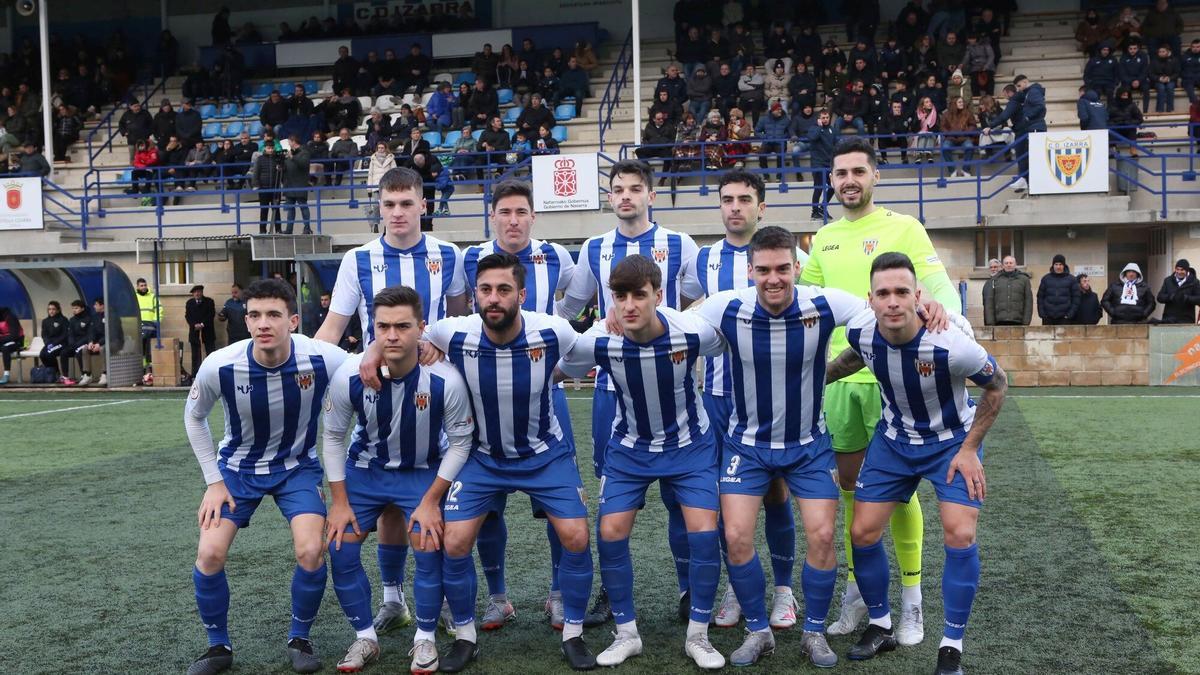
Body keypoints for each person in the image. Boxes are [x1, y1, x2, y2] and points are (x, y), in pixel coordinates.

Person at [801, 137, 959, 646]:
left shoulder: (904, 227)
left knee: (901, 489)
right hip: (841, 379)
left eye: (858, 171)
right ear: (831, 180)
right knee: (852, 490)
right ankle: (859, 594)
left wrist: (943, 309)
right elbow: (807, 305)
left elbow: (938, 286)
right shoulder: (824, 238)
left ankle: (912, 600)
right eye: (840, 173)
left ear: (875, 176)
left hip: (894, 380)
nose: (849, 181)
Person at [693, 226, 869, 668]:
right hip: (747, 446)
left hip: (808, 446)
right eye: (764, 270)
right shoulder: (727, 306)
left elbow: (881, 317)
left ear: (797, 268)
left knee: (823, 535)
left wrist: (928, 305)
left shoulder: (824, 304)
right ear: (750, 270)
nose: (774, 279)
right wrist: (615, 319)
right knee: (735, 536)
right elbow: (672, 323)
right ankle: (759, 631)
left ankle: (814, 633)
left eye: (783, 269)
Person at [824, 252, 1008, 675]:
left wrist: (969, 449)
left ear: (917, 296)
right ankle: (881, 624)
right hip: (894, 442)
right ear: (870, 298)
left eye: (901, 292)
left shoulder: (951, 344)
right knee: (862, 532)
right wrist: (819, 377)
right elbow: (857, 355)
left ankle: (951, 646)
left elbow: (998, 385)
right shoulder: (861, 330)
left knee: (960, 534)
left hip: (951, 443)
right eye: (883, 293)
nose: (892, 302)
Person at [424, 253, 597, 672]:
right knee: (455, 541)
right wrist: (383, 351)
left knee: (576, 535)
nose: (494, 298)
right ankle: (465, 637)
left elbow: (590, 349)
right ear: (474, 297)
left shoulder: (552, 330)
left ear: (521, 295)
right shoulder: (454, 332)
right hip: (482, 457)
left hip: (544, 455)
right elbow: (412, 333)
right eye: (485, 290)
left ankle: (573, 634)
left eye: (504, 290)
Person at [316, 167, 469, 636]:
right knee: (387, 500)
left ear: (424, 204)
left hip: (433, 391)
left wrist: (438, 343)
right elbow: (332, 330)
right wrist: (344, 359)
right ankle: (392, 599)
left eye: (406, 203)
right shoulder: (358, 258)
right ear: (379, 208)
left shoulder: (449, 254)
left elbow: (459, 321)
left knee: (439, 505)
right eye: (389, 204)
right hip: (377, 388)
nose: (398, 213)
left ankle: (444, 600)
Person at [558, 255, 726, 669]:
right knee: (610, 533)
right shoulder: (600, 338)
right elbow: (560, 363)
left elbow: (730, 334)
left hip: (689, 447)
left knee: (704, 533)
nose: (629, 305)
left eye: (639, 295)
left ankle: (699, 636)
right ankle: (626, 634)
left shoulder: (691, 331)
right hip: (629, 450)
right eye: (620, 297)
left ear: (659, 295)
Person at [555, 159, 700, 627]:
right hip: (611, 387)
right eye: (617, 189)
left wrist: (664, 318)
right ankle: (609, 591)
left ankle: (688, 588)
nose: (625, 196)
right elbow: (570, 308)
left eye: (635, 189)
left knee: (680, 497)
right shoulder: (594, 248)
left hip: (671, 385)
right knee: (613, 498)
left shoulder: (680, 244)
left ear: (650, 195)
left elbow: (702, 300)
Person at [182, 279, 350, 675]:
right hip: (236, 471)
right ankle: (218, 647)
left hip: (297, 469)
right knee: (209, 554)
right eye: (254, 315)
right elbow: (194, 418)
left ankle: (299, 638)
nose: (263, 323)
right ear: (246, 320)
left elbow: (365, 366)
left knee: (311, 550)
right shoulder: (221, 364)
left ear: (293, 321)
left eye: (273, 314)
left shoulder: (322, 357)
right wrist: (214, 482)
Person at [320, 286, 474, 673]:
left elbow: (460, 444)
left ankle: (425, 637)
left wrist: (432, 500)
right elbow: (333, 438)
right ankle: (365, 638)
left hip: (423, 472)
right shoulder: (349, 375)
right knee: (340, 545)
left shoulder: (445, 379)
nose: (391, 335)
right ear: (372, 328)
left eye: (403, 326)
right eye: (383, 327)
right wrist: (339, 502)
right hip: (366, 471)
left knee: (428, 543)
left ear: (421, 328)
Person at [688, 171, 807, 631]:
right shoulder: (703, 258)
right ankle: (738, 588)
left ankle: (784, 591)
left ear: (762, 206)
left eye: (744, 199)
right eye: (727, 199)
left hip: (773, 398)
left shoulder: (794, 256)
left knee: (776, 494)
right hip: (718, 398)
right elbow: (689, 313)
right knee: (726, 498)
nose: (735, 207)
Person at [983, 75, 1046, 192]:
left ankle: (1026, 180)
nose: (1018, 88)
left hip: (1028, 129)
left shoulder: (1024, 96)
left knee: (1023, 155)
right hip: (1026, 128)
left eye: (1019, 85)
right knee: (1026, 155)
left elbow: (1005, 116)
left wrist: (990, 126)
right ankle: (1025, 180)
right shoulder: (1024, 96)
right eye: (1017, 87)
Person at [983, 255, 1032, 326]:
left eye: (1011, 263)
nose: (1009, 265)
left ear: (1015, 264)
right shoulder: (995, 279)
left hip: (1018, 321)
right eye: (1006, 263)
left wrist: (1026, 322)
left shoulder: (1024, 280)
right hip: (999, 321)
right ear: (1003, 265)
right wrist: (990, 322)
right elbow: (989, 302)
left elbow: (1028, 301)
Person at [1036, 254, 1080, 325]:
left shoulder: (1072, 279)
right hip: (1048, 318)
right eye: (1056, 264)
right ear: (1053, 265)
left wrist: (1069, 315)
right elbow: (1040, 297)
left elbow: (1076, 298)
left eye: (1060, 264)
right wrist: (1042, 313)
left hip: (1065, 318)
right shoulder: (1045, 279)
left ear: (1064, 265)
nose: (1058, 267)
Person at [185, 284, 216, 378]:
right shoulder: (189, 303)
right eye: (195, 292)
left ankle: (212, 374)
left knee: (211, 353)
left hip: (207, 331)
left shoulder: (209, 302)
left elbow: (211, 314)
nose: (197, 294)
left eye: (199, 292)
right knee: (195, 355)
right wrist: (194, 325)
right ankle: (196, 375)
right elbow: (188, 316)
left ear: (202, 292)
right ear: (193, 294)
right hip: (194, 332)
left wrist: (202, 324)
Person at [252, 142, 284, 233]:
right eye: (268, 148)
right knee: (264, 210)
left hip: (275, 188)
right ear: (265, 148)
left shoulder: (278, 159)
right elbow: (256, 173)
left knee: (276, 210)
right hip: (263, 188)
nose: (270, 150)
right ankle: (262, 230)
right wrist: (256, 185)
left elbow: (283, 171)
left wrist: (281, 168)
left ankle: (278, 229)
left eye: (272, 148)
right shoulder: (260, 159)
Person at [1157, 258, 1200, 323]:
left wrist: (1186, 298)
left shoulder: (1194, 282)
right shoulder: (1168, 280)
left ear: (1187, 270)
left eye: (1182, 270)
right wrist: (1170, 297)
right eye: (1177, 269)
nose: (1179, 272)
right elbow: (1160, 297)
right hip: (1168, 319)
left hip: (1186, 319)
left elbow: (1198, 299)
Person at [63, 300, 96, 384]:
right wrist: (71, 343)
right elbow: (70, 334)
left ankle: (85, 374)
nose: (74, 310)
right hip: (74, 344)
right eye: (73, 308)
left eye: (76, 308)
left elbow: (89, 334)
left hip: (84, 343)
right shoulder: (72, 320)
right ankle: (65, 376)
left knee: (79, 351)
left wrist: (78, 344)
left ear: (82, 309)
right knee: (64, 352)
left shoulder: (89, 319)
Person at [0, 305, 23, 384]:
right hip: (4, 341)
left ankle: (6, 375)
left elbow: (14, 336)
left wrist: (1, 339)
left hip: (17, 342)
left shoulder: (11, 318)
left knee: (5, 348)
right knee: (4, 346)